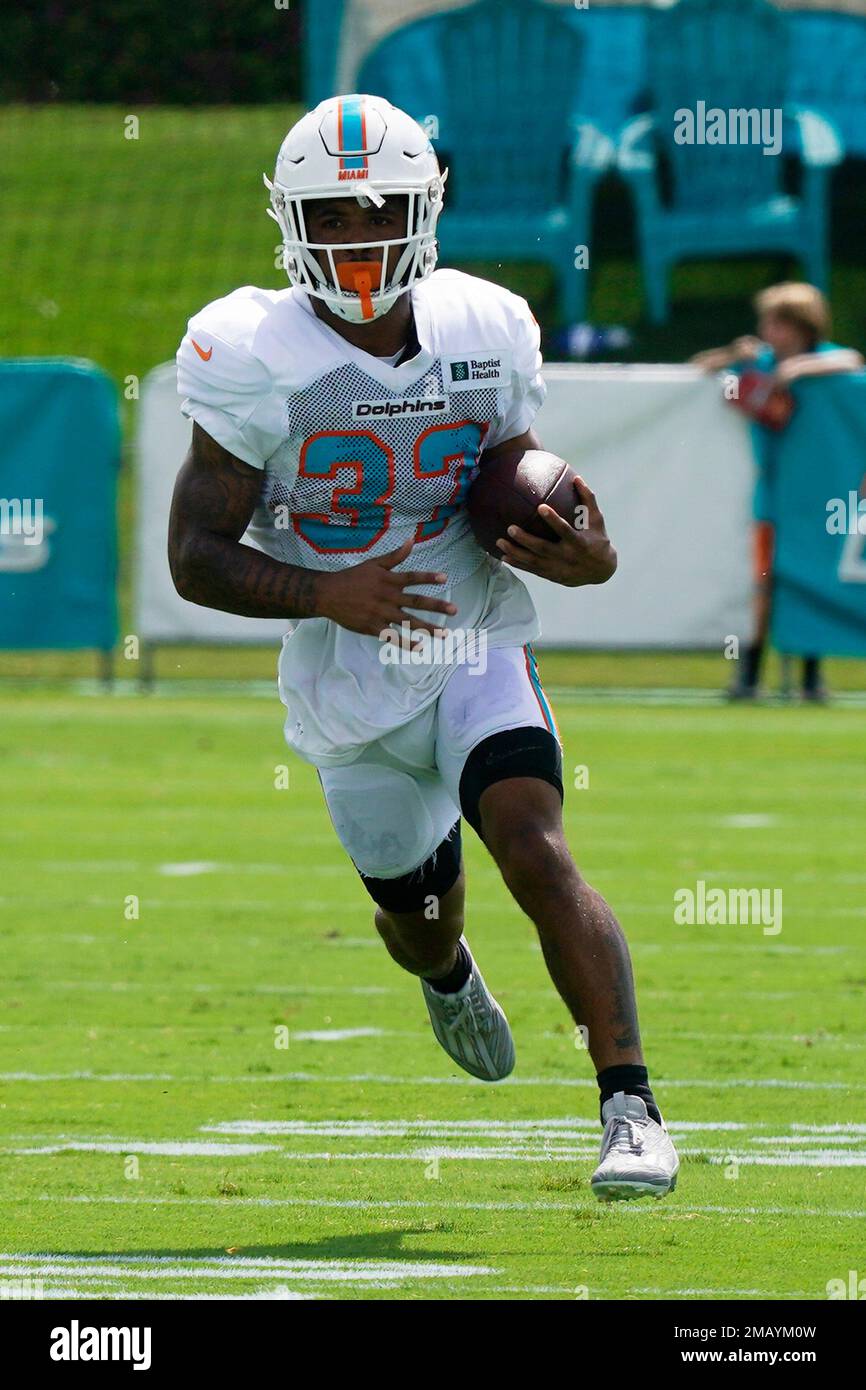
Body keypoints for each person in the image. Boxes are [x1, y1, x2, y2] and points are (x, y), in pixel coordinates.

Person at [168, 95, 679, 1201]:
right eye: (332, 217)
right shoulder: (249, 350)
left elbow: (525, 482)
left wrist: (586, 556)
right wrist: (324, 588)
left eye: (378, 211)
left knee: (534, 847)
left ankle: (628, 1105)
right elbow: (192, 555)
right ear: (289, 221)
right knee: (416, 921)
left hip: (470, 637)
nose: (357, 240)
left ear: (424, 207)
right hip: (346, 684)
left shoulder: (484, 326)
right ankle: (446, 974)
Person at [692, 283, 864, 701]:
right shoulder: (759, 363)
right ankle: (749, 675)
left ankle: (809, 678)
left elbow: (852, 359)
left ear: (802, 326)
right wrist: (736, 354)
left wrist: (798, 370)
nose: (768, 330)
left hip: (812, 495)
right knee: (762, 582)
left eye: (777, 322)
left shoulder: (824, 361)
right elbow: (700, 369)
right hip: (768, 493)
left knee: (812, 576)